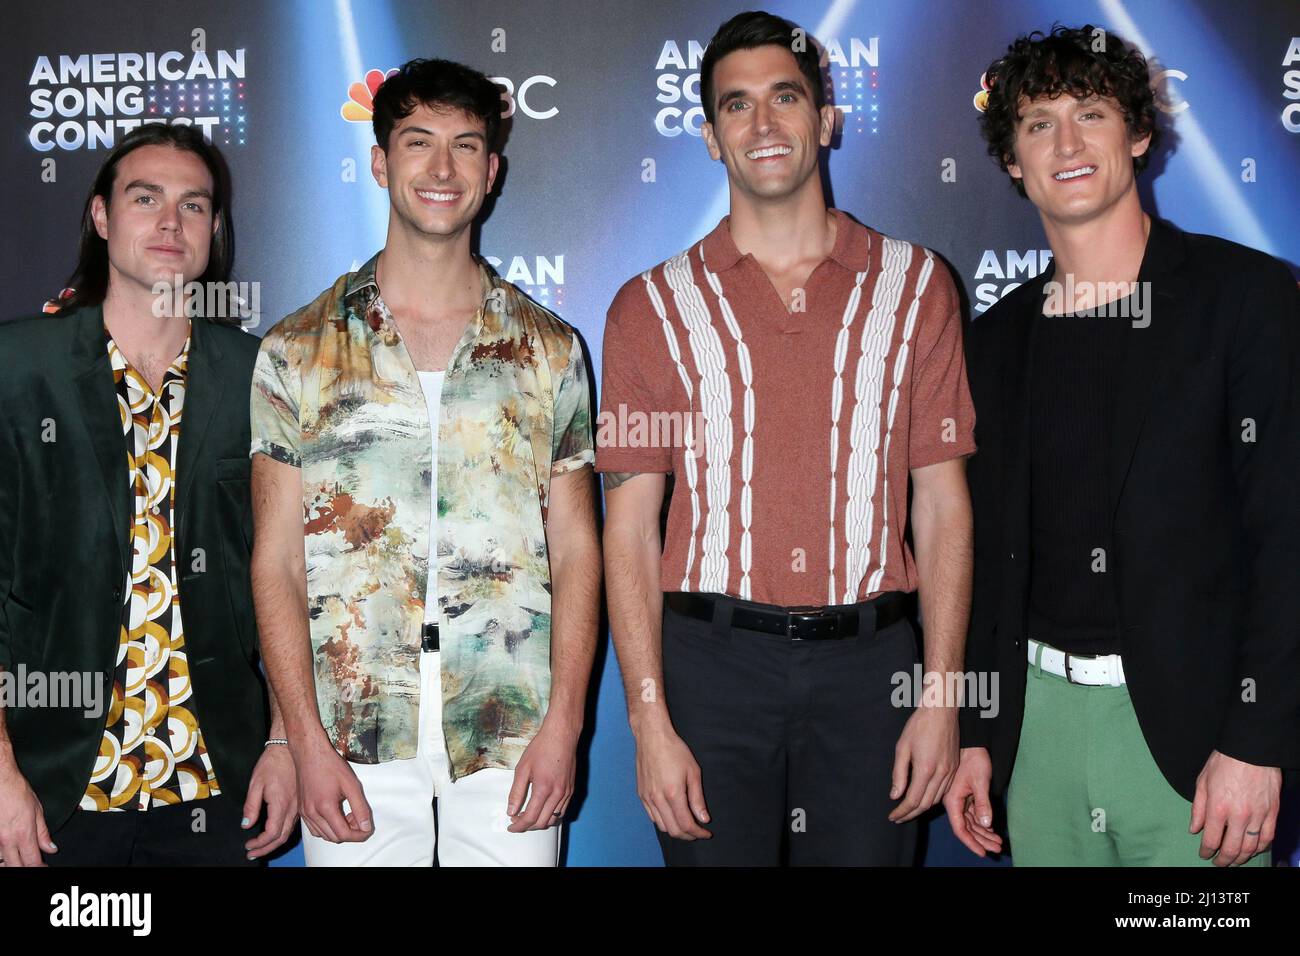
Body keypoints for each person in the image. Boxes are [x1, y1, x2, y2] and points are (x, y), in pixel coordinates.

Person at [597, 10, 976, 866]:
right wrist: (648, 718)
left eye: (785, 98)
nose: (762, 124)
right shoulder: (647, 308)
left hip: (873, 669)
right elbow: (628, 527)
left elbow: (943, 507)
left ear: (827, 119)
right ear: (708, 136)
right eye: (736, 105)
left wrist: (941, 696)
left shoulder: (918, 287)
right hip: (708, 671)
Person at [945, 24, 1300, 866]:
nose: (1066, 143)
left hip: (1197, 746)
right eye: (1037, 123)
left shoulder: (1245, 298)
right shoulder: (993, 343)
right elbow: (988, 562)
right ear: (1011, 159)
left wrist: (1258, 740)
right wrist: (974, 733)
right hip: (1039, 744)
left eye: (1092, 113)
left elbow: (1289, 534)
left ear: (1137, 134)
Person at [250, 58, 599, 867]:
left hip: (511, 721)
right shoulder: (297, 351)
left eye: (465, 146)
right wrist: (303, 738)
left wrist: (565, 726)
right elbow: (276, 563)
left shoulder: (550, 349)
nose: (442, 169)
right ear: (380, 162)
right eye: (418, 142)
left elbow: (578, 549)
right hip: (353, 726)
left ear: (492, 169)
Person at [0, 123, 296, 867]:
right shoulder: (16, 367)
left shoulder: (261, 374)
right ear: (101, 217)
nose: (170, 222)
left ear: (214, 229)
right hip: (47, 792)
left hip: (214, 789)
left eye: (193, 205)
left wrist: (288, 741)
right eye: (146, 198)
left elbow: (298, 580)